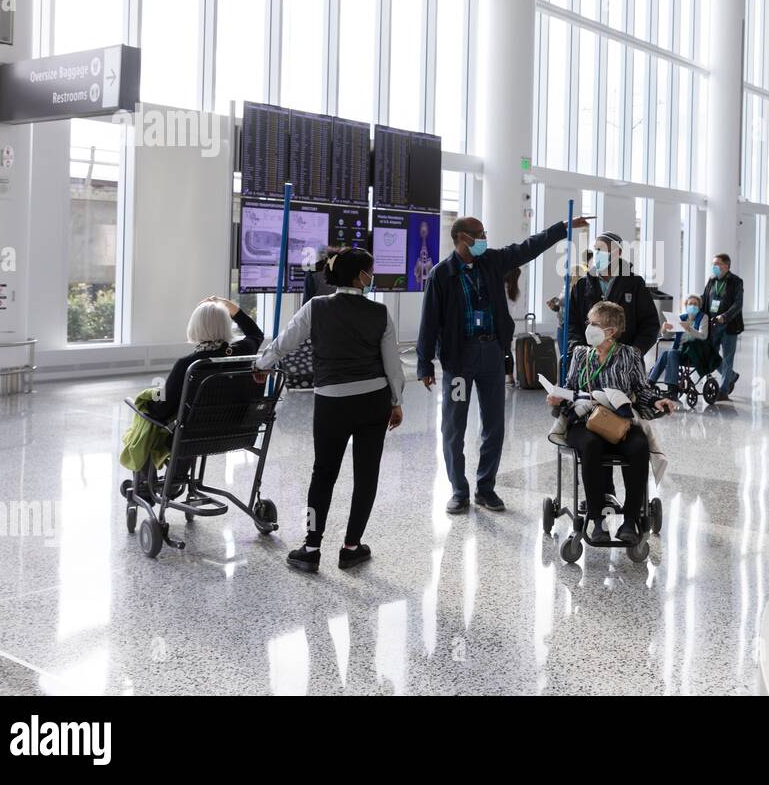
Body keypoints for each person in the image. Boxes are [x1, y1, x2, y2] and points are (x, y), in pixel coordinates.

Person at [417, 213, 592, 514]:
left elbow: (527, 247)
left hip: (491, 356)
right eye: (479, 233)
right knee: (454, 428)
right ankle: (459, 490)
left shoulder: (492, 261)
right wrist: (423, 364)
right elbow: (429, 320)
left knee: (494, 425)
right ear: (461, 238)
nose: (484, 237)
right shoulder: (441, 274)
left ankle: (486, 488)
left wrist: (562, 227)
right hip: (459, 359)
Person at [254, 248, 405, 573]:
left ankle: (311, 547)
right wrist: (396, 402)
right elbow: (393, 365)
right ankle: (352, 547)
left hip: (331, 403)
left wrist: (261, 364)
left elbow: (285, 342)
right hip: (372, 401)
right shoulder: (379, 313)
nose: (372, 275)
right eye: (370, 270)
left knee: (323, 474)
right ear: (358, 276)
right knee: (366, 476)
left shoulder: (316, 307)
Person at [548, 301, 676, 545]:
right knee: (591, 446)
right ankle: (596, 520)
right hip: (584, 421)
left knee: (639, 447)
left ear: (611, 330)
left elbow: (642, 389)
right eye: (589, 323)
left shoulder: (630, 355)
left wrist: (658, 401)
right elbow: (570, 388)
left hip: (619, 422)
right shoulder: (580, 354)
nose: (588, 328)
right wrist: (557, 398)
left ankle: (630, 520)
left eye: (594, 324)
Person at [141, 296, 264, 497]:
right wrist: (232, 308)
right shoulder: (244, 351)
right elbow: (255, 334)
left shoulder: (188, 365)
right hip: (238, 433)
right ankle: (175, 480)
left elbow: (163, 411)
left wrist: (146, 404)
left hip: (194, 437)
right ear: (227, 324)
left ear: (195, 326)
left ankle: (148, 485)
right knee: (193, 423)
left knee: (153, 423)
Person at [564, 231, 661, 364]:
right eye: (596, 249)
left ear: (618, 253)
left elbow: (650, 323)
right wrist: (579, 349)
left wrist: (634, 351)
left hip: (624, 362)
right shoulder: (581, 285)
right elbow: (570, 322)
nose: (597, 254)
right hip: (588, 360)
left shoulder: (635, 284)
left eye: (602, 249)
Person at [648, 294, 715, 395]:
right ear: (686, 306)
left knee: (671, 353)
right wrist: (664, 329)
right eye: (690, 304)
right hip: (679, 353)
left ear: (699, 306)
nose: (693, 306)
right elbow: (667, 337)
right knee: (666, 354)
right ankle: (650, 383)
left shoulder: (703, 318)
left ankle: (672, 390)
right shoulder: (681, 318)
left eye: (695, 304)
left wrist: (689, 328)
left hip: (694, 353)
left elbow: (703, 336)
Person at [703, 253, 744, 401]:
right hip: (713, 324)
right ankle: (731, 375)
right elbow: (704, 299)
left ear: (726, 266)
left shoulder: (736, 282)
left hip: (729, 325)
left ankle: (724, 390)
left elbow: (738, 304)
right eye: (713, 264)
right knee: (710, 355)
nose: (714, 267)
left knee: (727, 358)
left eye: (717, 264)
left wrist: (724, 316)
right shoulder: (711, 281)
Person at [502, 267, 524, 387]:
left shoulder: (503, 288)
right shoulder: (515, 290)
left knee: (500, 350)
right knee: (507, 350)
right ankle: (510, 377)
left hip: (502, 322)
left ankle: (501, 375)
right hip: (510, 323)